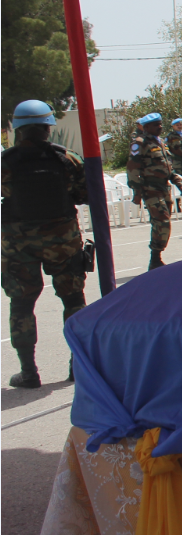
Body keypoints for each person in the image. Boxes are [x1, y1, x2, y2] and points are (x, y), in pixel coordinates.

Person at [1, 100, 88, 388]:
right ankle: (78, 366)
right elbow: (84, 194)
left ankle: (29, 372)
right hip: (62, 240)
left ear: (20, 130)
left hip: (18, 243)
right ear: (48, 129)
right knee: (73, 300)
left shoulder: (6, 163)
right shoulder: (68, 159)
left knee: (22, 303)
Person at [128, 113, 182, 269]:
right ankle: (155, 257)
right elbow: (133, 169)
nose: (160, 127)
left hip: (164, 188)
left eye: (161, 124)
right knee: (162, 221)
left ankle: (156, 256)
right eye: (156, 125)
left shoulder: (160, 142)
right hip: (150, 188)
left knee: (163, 222)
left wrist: (179, 183)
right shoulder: (140, 143)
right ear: (146, 127)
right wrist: (137, 191)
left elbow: (168, 167)